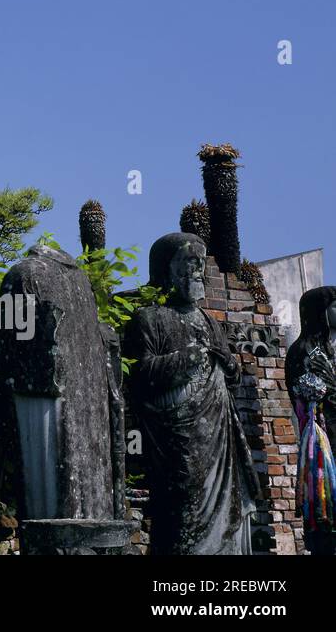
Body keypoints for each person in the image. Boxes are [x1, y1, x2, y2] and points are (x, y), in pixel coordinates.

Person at [124, 232, 260, 554]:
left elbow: (233, 377)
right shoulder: (149, 319)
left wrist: (229, 364)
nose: (197, 272)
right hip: (178, 439)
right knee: (182, 511)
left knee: (227, 511)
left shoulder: (210, 322)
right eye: (188, 264)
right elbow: (139, 374)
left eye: (200, 265)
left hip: (218, 434)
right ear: (165, 271)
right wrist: (186, 360)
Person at [284, 286, 336, 555]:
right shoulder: (303, 351)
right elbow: (309, 395)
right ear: (320, 313)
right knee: (324, 503)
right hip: (322, 438)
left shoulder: (331, 350)